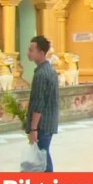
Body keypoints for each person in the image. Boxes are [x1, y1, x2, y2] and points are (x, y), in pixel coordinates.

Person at [25, 36, 60, 172]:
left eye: (31, 50)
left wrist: (33, 129)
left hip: (42, 124)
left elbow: (38, 103)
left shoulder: (41, 74)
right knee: (43, 154)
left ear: (41, 53)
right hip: (49, 121)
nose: (28, 53)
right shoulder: (50, 71)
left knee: (42, 156)